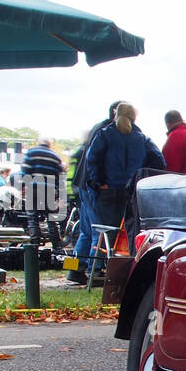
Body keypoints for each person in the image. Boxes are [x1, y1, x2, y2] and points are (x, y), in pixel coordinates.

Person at [80, 102, 166, 285]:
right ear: (135, 117)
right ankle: (122, 272)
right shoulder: (142, 138)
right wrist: (140, 179)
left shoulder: (104, 134)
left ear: (115, 114)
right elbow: (159, 160)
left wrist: (100, 182)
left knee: (103, 232)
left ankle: (94, 270)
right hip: (130, 191)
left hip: (107, 191)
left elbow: (91, 159)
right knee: (127, 233)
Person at [69, 102, 120, 284]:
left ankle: (74, 269)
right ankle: (95, 270)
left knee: (86, 231)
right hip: (93, 187)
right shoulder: (108, 131)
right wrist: (101, 182)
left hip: (83, 184)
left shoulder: (97, 127)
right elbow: (96, 160)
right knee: (99, 229)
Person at [20, 138, 66, 247]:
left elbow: (25, 172)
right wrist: (59, 194)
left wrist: (23, 186)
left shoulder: (32, 153)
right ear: (49, 144)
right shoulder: (56, 157)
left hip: (34, 189)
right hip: (50, 190)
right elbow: (60, 177)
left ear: (39, 143)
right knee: (52, 219)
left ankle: (34, 246)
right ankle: (56, 247)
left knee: (33, 218)